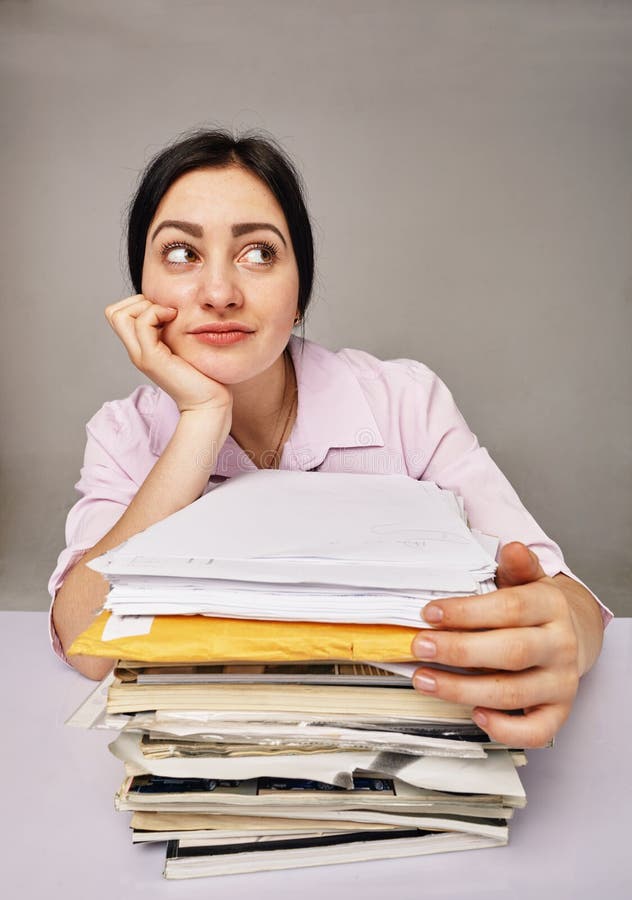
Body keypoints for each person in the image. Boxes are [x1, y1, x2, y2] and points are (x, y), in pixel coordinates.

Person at [49, 128, 611, 749]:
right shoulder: (125, 431)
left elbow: (565, 597)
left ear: (299, 294)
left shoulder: (404, 402)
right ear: (142, 291)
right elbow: (86, 643)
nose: (218, 293)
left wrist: (563, 637)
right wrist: (203, 416)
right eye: (181, 253)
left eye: (258, 253)